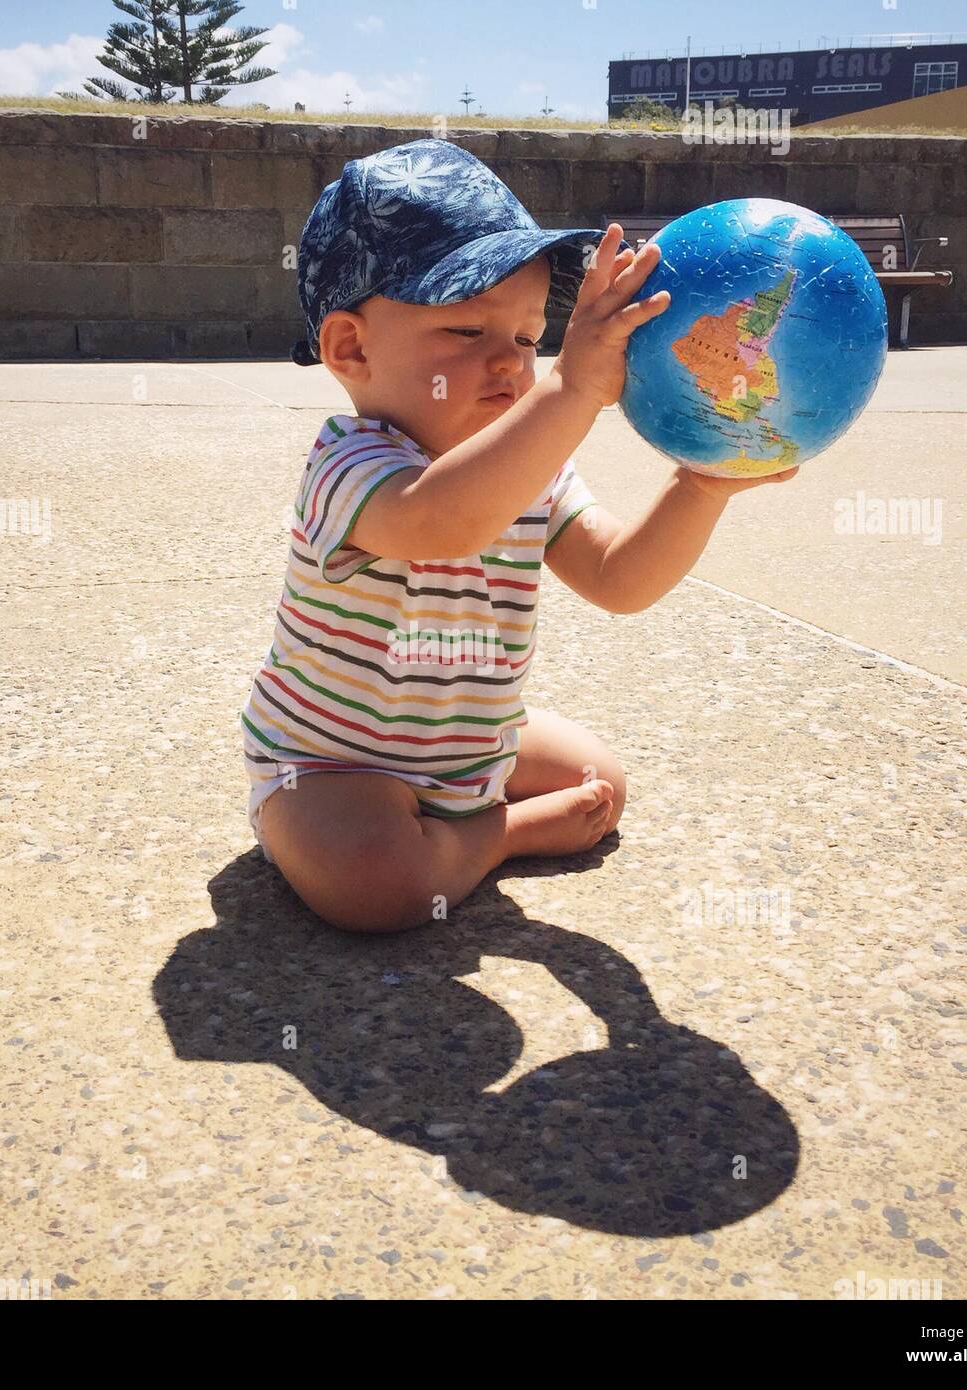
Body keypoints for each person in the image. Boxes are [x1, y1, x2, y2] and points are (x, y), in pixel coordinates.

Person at [240, 138, 797, 933]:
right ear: (351, 348)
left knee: (601, 778)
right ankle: (494, 836)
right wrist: (572, 385)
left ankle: (463, 806)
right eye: (468, 334)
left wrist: (699, 487)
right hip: (332, 763)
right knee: (378, 888)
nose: (511, 365)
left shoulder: (532, 470)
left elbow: (619, 578)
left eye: (531, 340)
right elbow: (441, 521)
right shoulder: (351, 467)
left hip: (468, 744)